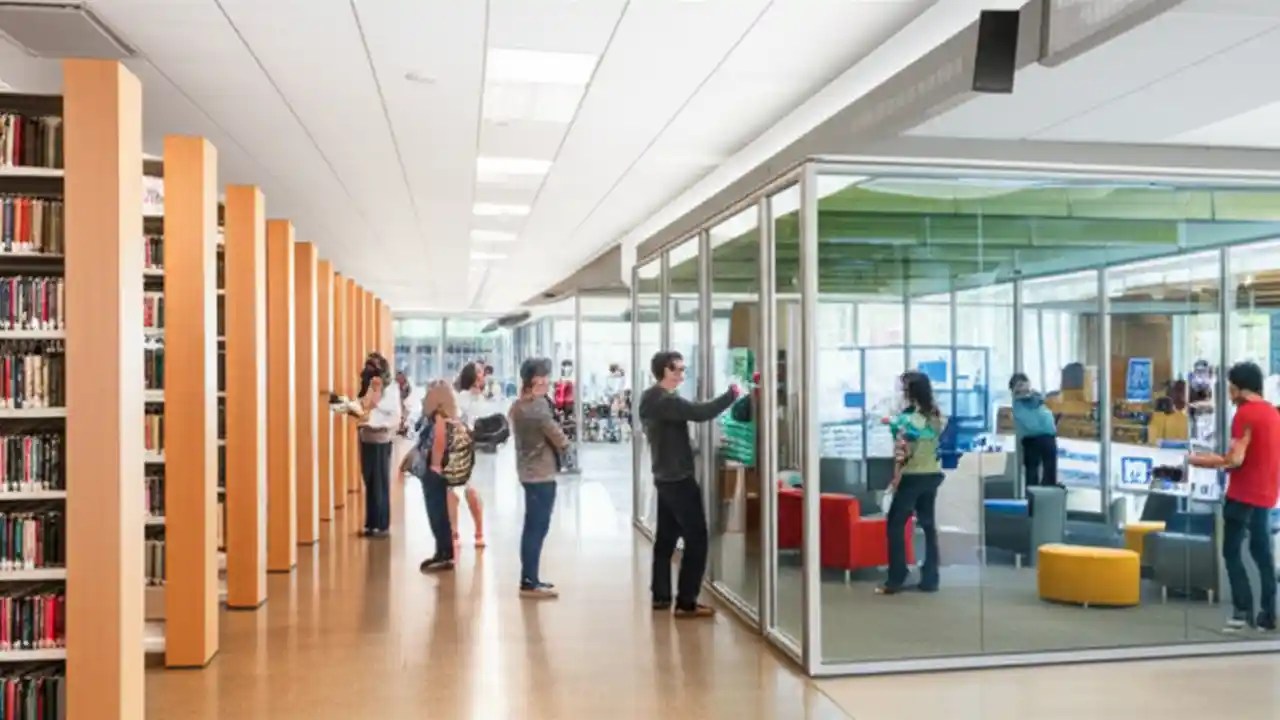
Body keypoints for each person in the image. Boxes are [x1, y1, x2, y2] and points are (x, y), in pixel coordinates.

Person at [638, 350, 738, 618]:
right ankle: (686, 602)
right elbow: (701, 412)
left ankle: (661, 596)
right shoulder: (665, 401)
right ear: (665, 372)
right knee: (698, 539)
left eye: (683, 369)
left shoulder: (650, 398)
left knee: (666, 539)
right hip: (679, 479)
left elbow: (669, 432)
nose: (682, 374)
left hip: (664, 476)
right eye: (678, 370)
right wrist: (732, 394)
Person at [1189, 361, 1280, 631]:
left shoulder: (1244, 414)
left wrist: (1198, 460)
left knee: (1231, 552)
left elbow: (1234, 459)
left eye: (1230, 387)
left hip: (1242, 495)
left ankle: (1242, 612)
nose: (1228, 393)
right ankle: (1268, 615)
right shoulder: (1274, 415)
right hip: (1266, 496)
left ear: (1240, 388)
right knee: (1262, 555)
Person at [878, 371, 947, 595]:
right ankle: (930, 578)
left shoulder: (910, 418)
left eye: (903, 388)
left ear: (910, 391)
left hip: (914, 475)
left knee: (895, 524)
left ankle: (896, 577)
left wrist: (897, 476)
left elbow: (904, 450)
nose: (900, 392)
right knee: (927, 525)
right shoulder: (936, 414)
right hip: (932, 473)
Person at [508, 358, 571, 599]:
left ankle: (531, 577)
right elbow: (556, 436)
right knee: (537, 527)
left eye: (547, 376)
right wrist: (566, 443)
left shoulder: (518, 405)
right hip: (540, 473)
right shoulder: (538, 407)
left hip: (527, 471)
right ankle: (529, 581)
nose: (546, 381)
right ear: (530, 380)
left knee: (532, 526)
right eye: (541, 376)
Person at [418, 381, 461, 572]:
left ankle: (444, 553)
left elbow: (439, 441)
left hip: (436, 470)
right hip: (441, 468)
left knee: (437, 512)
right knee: (439, 512)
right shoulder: (447, 415)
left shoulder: (439, 417)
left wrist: (435, 465)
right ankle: (443, 552)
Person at [352, 371, 400, 538]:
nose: (375, 381)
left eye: (378, 379)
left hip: (381, 439)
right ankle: (370, 523)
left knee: (380, 482)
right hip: (366, 437)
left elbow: (395, 416)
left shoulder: (391, 393)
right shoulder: (367, 391)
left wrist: (383, 422)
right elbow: (361, 409)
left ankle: (381, 524)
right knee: (370, 480)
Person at [451, 362, 488, 548]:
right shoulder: (462, 398)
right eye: (479, 371)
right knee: (456, 491)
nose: (483, 375)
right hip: (462, 449)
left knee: (472, 491)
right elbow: (456, 420)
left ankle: (479, 531)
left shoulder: (481, 397)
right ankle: (454, 532)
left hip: (478, 450)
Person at [1009, 372, 1059, 486]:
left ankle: (1048, 494)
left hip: (1047, 436)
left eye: (1024, 385)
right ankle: (1033, 497)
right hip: (1032, 439)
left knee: (1049, 469)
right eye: (1019, 386)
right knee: (1032, 472)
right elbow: (1030, 422)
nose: (1023, 389)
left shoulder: (1036, 399)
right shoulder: (1019, 404)